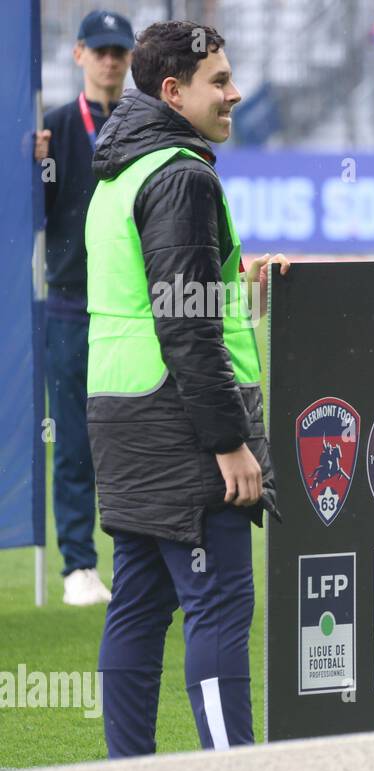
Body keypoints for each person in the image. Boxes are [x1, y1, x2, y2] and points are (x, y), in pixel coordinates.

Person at [85, 20, 287, 757]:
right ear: (173, 92)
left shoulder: (120, 169)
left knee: (138, 605)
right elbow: (186, 325)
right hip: (182, 424)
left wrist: (240, 286)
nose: (235, 93)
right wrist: (229, 441)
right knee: (220, 607)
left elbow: (162, 302)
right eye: (220, 82)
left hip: (120, 415)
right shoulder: (181, 175)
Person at [32, 10, 137, 606]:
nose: (109, 60)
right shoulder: (52, 129)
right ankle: (78, 565)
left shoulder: (147, 124)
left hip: (132, 305)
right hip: (71, 304)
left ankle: (137, 559)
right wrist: (34, 164)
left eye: (118, 51)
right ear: (78, 55)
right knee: (72, 438)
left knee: (134, 435)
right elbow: (32, 215)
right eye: (99, 50)